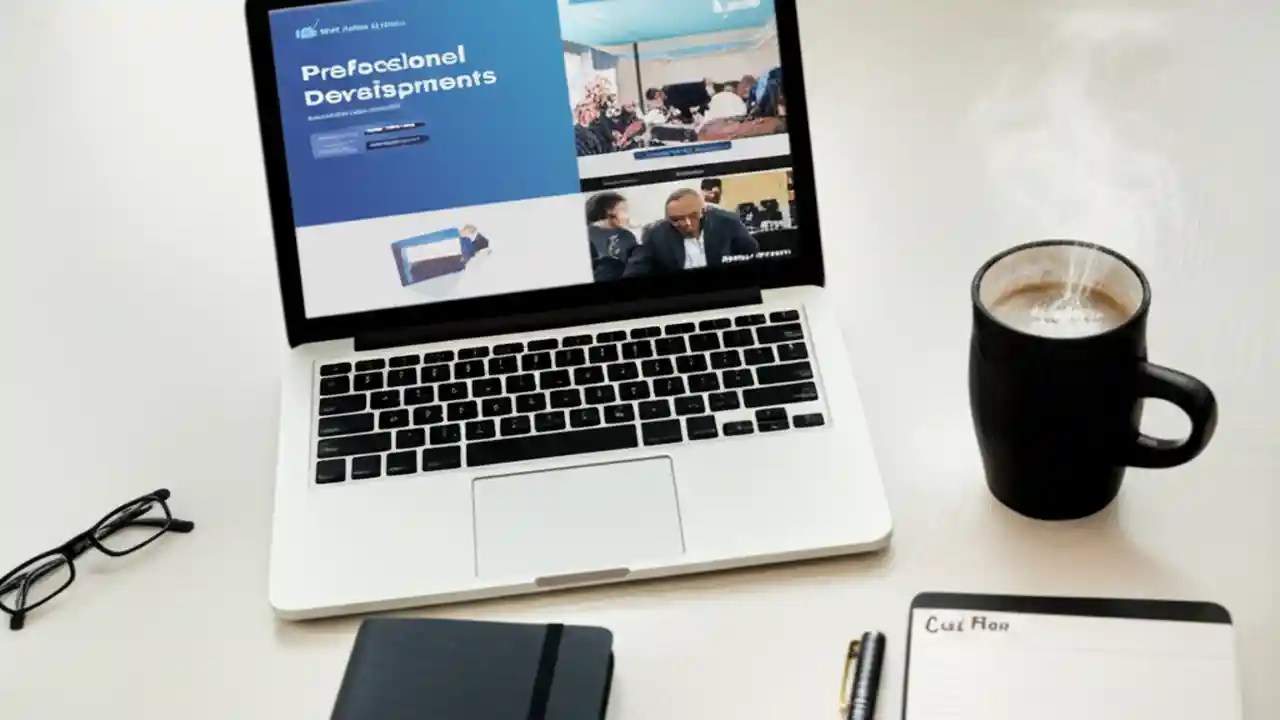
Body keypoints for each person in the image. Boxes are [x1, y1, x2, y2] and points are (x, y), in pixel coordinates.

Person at [624, 188, 759, 276]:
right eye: (676, 220)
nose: (686, 224)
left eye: (693, 216)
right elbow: (636, 270)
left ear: (703, 212)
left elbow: (752, 255)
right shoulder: (655, 234)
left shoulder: (727, 223)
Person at [585, 192, 640, 282]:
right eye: (623, 210)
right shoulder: (624, 235)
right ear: (609, 211)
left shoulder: (626, 235)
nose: (627, 216)